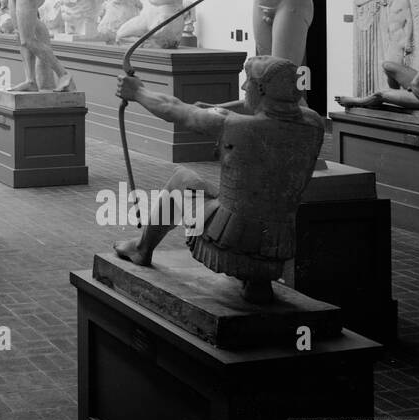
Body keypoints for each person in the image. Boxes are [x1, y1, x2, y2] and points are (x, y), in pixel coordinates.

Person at [114, 56, 324, 305]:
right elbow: (273, 110)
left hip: (226, 240)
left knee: (183, 178)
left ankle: (142, 249)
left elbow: (173, 108)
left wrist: (137, 91)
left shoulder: (232, 126)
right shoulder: (314, 124)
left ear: (263, 89)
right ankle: (257, 284)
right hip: (276, 245)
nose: (244, 87)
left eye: (249, 82)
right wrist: (217, 106)